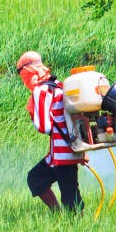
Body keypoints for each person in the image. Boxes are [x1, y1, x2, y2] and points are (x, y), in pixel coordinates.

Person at [18, 51, 86, 213]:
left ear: (28, 72)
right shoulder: (59, 85)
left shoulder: (41, 91)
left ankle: (67, 219)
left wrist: (34, 116)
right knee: (43, 180)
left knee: (64, 192)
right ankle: (66, 218)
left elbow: (45, 126)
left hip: (62, 153)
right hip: (74, 146)